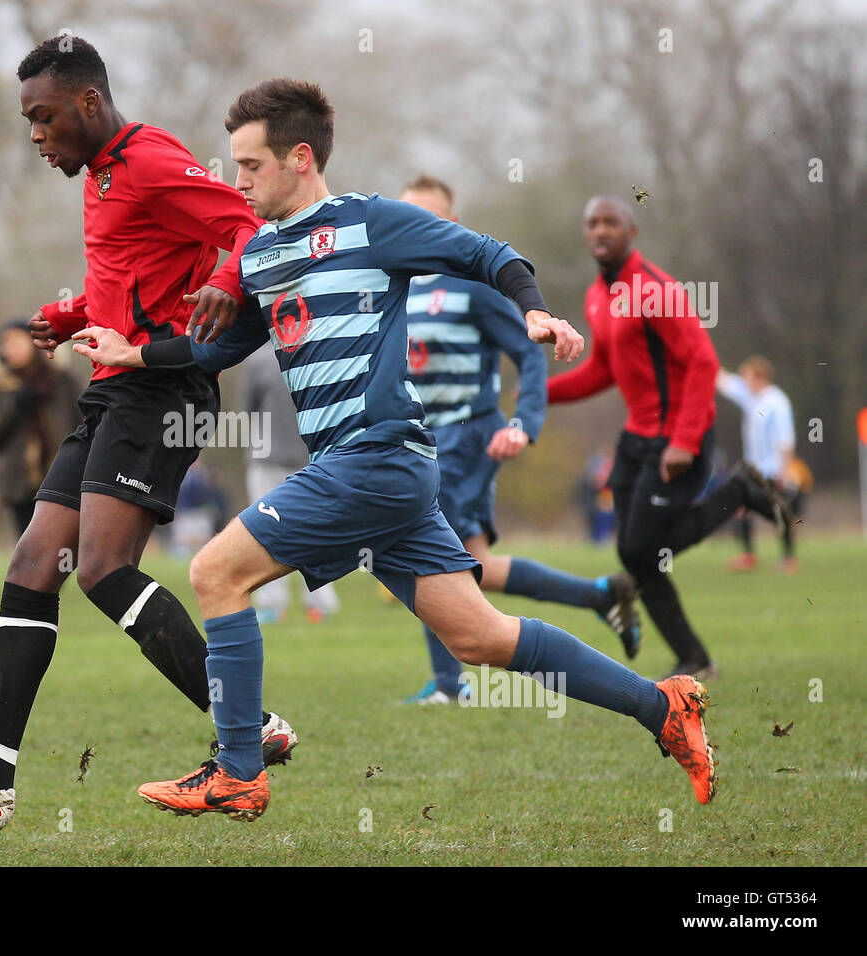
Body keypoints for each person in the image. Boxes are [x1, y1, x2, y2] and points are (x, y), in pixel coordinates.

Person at [74, 78, 719, 819]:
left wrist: (536, 314)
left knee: (215, 572)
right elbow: (213, 353)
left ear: (300, 158)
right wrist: (135, 354)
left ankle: (239, 770)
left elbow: (489, 254)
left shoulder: (372, 223)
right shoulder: (258, 258)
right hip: (380, 473)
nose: (237, 182)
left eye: (250, 167)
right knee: (480, 637)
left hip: (375, 458)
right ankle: (661, 707)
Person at [0, 37, 298, 832]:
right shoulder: (102, 172)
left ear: (88, 103)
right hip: (112, 390)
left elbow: (244, 225)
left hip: (160, 388)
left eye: (43, 119)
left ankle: (252, 730)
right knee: (35, 562)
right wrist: (73, 314)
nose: (36, 135)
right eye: (27, 121)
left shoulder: (148, 159)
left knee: (103, 569)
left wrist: (219, 281)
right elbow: (139, 269)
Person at [398, 175, 639, 706]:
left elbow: (529, 352)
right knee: (475, 566)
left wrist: (523, 423)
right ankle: (600, 594)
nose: (414, 227)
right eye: (406, 214)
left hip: (467, 436)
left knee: (430, 553)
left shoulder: (471, 287)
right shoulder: (401, 286)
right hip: (425, 439)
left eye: (427, 217)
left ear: (450, 225)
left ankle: (448, 684)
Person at [547, 196, 793, 680]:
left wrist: (683, 439)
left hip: (680, 437)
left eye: (610, 222)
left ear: (631, 230)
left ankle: (739, 491)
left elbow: (703, 361)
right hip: (636, 438)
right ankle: (694, 658)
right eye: (592, 223)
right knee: (634, 553)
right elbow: (604, 368)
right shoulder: (598, 294)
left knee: (638, 551)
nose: (600, 231)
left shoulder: (655, 289)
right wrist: (542, 394)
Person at [242, 341, 339, 624]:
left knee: (266, 533)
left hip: (281, 457)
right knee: (313, 530)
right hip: (301, 457)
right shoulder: (319, 353)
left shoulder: (259, 359)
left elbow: (246, 410)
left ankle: (280, 604)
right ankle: (317, 602)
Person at [0, 318, 82, 537]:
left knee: (61, 543)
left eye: (16, 341)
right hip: (19, 482)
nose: (9, 348)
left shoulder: (62, 381)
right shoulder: (0, 386)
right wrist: (15, 406)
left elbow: (82, 422)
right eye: (5, 343)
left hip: (62, 475)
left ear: (35, 342)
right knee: (27, 544)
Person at [715, 357, 801, 572]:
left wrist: (786, 469)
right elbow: (725, 383)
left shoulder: (777, 402)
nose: (744, 381)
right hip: (754, 470)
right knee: (741, 508)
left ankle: (789, 559)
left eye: (747, 377)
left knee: (779, 513)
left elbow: (785, 439)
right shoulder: (752, 399)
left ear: (759, 377)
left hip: (773, 470)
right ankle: (748, 555)